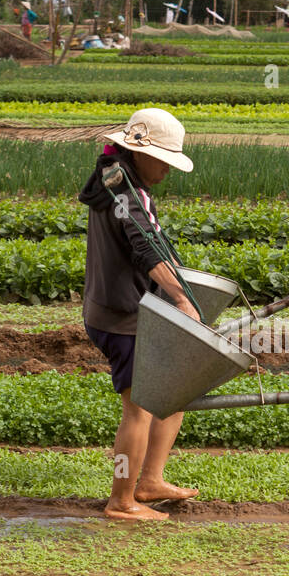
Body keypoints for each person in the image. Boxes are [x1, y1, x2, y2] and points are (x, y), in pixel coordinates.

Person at [78, 108, 200, 522]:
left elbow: (154, 246)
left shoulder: (113, 179)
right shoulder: (129, 195)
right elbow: (147, 247)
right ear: (140, 152)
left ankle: (150, 481)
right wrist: (183, 301)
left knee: (175, 390)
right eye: (163, 160)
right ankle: (122, 501)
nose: (166, 170)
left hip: (116, 307)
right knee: (140, 409)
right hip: (124, 316)